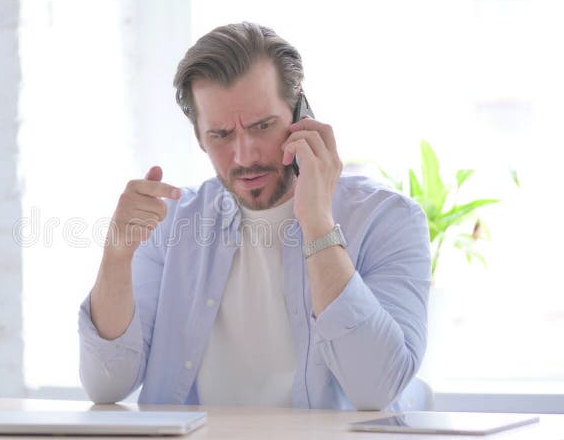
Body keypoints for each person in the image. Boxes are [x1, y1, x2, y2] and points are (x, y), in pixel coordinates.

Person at [78, 22, 431, 410]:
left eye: (263, 126)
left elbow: (377, 389)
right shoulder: (170, 224)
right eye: (221, 135)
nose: (244, 156)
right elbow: (106, 385)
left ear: (301, 114)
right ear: (199, 137)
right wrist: (116, 254)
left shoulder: (388, 219)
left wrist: (317, 222)